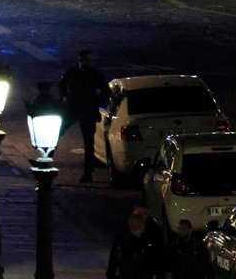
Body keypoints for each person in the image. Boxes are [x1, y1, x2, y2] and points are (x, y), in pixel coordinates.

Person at [58, 49, 109, 182]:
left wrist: (95, 102)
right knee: (58, 132)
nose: (86, 62)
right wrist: (65, 96)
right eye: (84, 59)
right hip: (76, 108)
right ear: (80, 60)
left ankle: (88, 172)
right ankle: (47, 155)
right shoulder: (77, 72)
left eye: (87, 60)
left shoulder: (91, 74)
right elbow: (62, 85)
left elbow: (106, 91)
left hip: (84, 109)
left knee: (88, 142)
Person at [106, 201, 166, 279]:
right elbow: (115, 254)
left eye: (145, 213)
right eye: (139, 212)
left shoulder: (155, 230)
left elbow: (160, 254)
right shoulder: (124, 230)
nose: (142, 215)